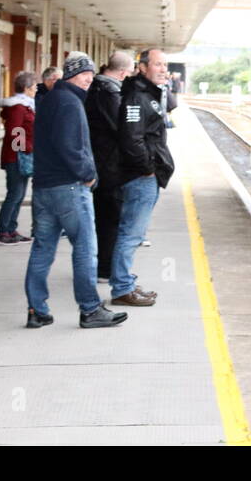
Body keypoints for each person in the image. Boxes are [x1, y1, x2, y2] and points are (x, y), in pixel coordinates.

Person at [23, 52, 127, 330]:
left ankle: (37, 310)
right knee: (85, 248)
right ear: (71, 75)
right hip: (68, 187)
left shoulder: (50, 99)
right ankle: (91, 309)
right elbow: (70, 147)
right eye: (84, 75)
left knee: (43, 248)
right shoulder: (69, 103)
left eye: (92, 75)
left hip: (44, 187)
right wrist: (89, 175)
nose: (89, 80)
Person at [110, 48, 175, 307]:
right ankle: (122, 289)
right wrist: (148, 167)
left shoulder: (148, 93)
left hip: (146, 175)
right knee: (130, 234)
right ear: (143, 67)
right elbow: (131, 138)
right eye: (157, 64)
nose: (162, 69)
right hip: (140, 176)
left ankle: (125, 282)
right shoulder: (137, 97)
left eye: (165, 65)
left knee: (132, 234)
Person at [85, 51, 134, 282]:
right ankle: (105, 268)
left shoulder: (93, 88)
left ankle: (98, 265)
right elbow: (121, 128)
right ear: (124, 72)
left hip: (95, 162)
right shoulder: (109, 92)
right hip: (108, 165)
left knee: (100, 218)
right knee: (111, 218)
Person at [0, 71, 37, 245]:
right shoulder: (18, 108)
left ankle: (11, 229)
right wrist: (27, 149)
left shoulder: (25, 105)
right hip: (16, 157)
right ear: (26, 88)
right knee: (14, 194)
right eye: (34, 87)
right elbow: (15, 131)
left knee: (18, 195)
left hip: (20, 155)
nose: (35, 90)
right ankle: (2, 231)